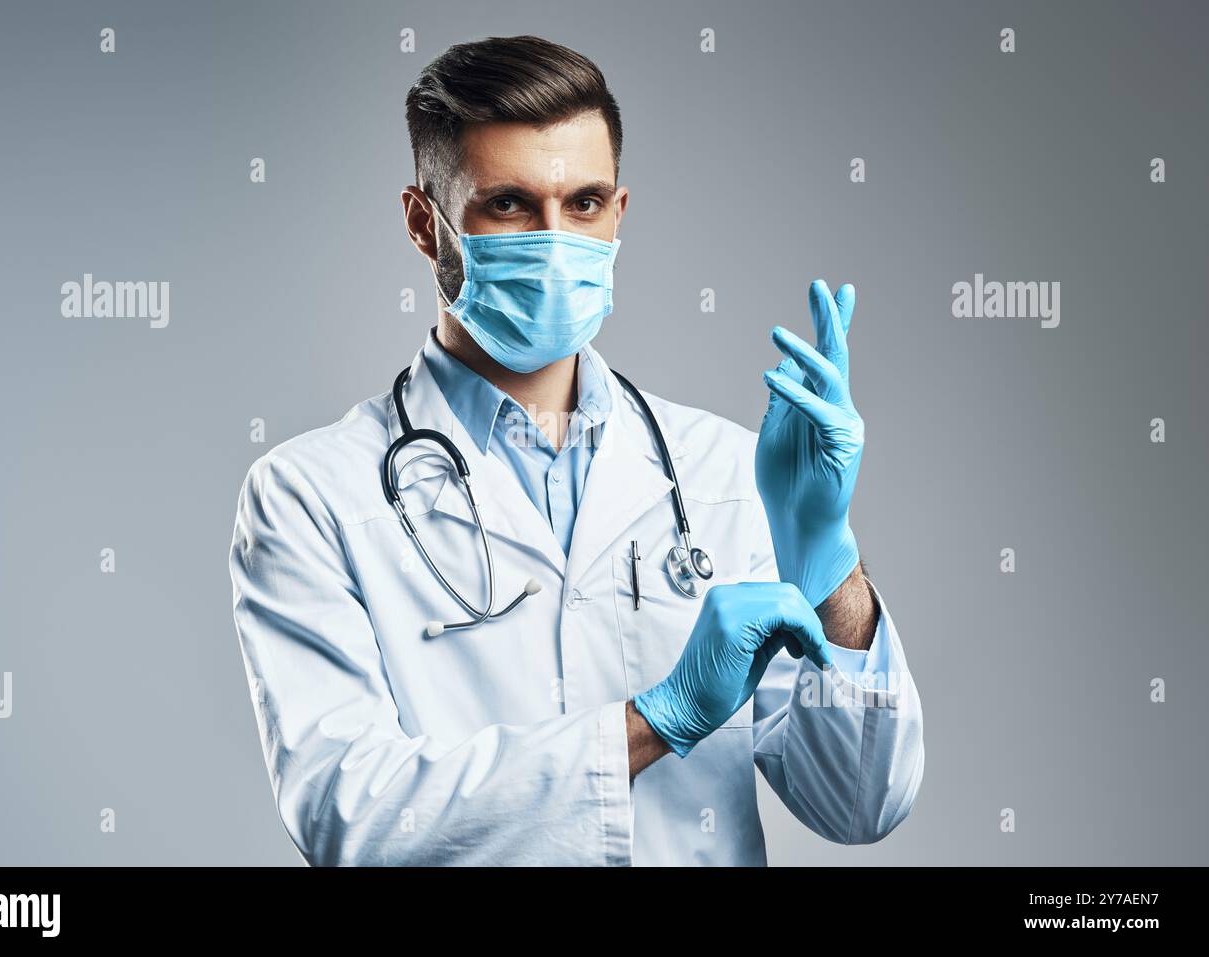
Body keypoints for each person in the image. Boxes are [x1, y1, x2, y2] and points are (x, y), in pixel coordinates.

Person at [229, 35, 923, 866]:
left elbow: (860, 800)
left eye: (584, 203)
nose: (556, 241)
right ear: (425, 224)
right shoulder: (310, 495)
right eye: (512, 205)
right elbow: (352, 815)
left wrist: (827, 557)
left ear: (619, 213)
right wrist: (654, 719)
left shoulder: (725, 474)